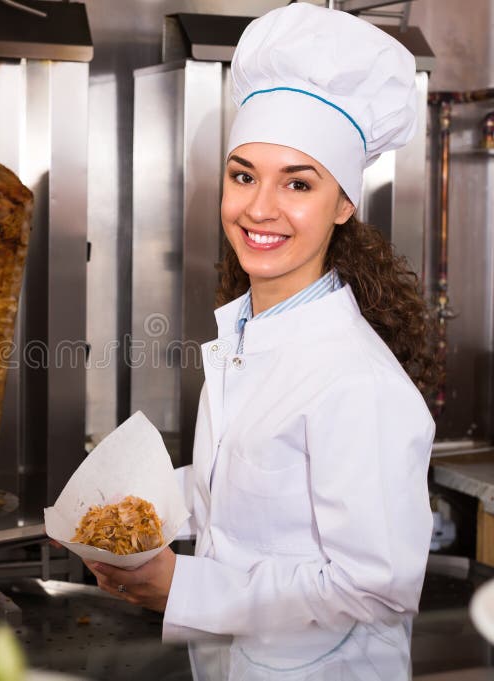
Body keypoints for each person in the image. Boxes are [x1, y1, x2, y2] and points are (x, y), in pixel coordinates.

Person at [85, 4, 437, 679]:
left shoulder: (356, 380)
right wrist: (141, 512)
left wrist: (179, 587)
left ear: (343, 203)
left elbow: (376, 587)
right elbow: (250, 490)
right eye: (243, 174)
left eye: (297, 183)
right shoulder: (251, 334)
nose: (259, 207)